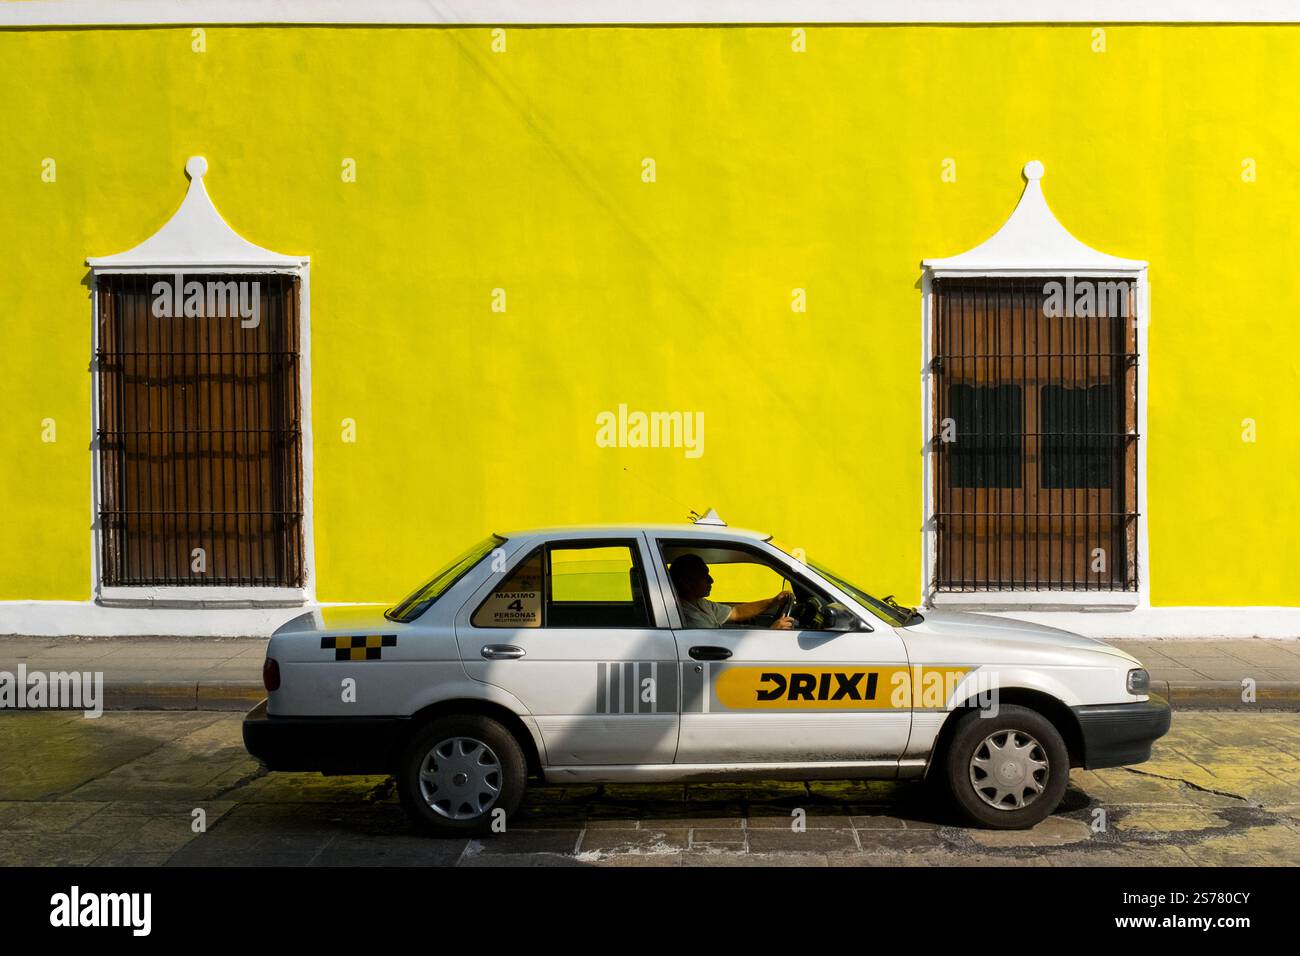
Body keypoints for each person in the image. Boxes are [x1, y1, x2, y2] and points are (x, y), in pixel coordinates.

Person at [668, 553, 796, 630]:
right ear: (687, 581)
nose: (711, 580)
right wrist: (771, 633)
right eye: (704, 575)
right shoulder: (685, 616)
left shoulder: (699, 603)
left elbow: (736, 612)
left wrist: (773, 601)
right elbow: (717, 649)